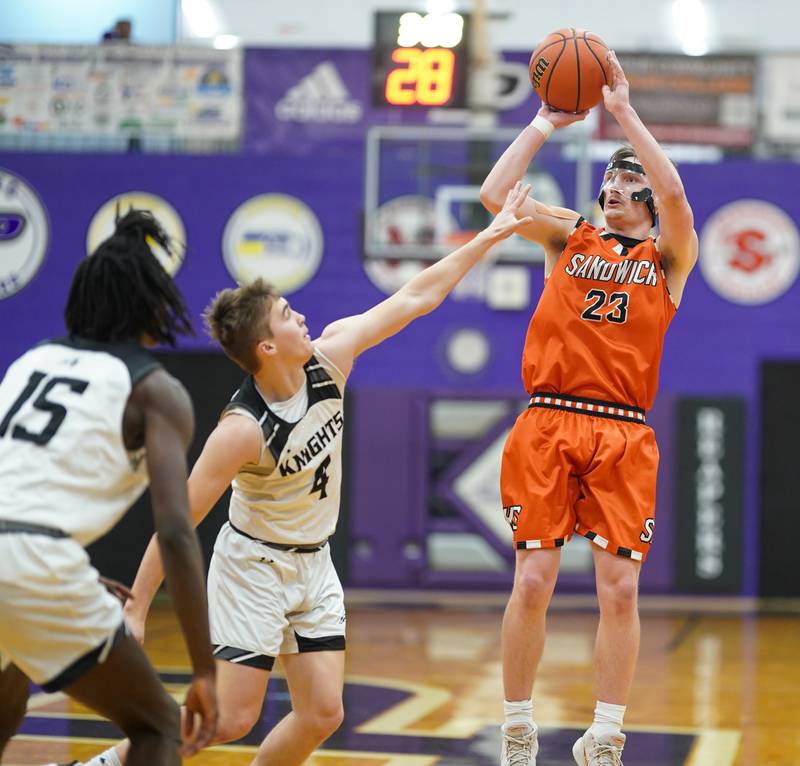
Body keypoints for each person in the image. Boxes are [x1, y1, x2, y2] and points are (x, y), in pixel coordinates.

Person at [78, 182, 534, 766]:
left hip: (313, 561)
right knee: (232, 718)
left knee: (322, 712)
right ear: (267, 346)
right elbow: (178, 519)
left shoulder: (331, 358)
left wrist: (490, 237)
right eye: (289, 316)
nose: (304, 317)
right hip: (255, 567)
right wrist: (138, 605)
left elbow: (416, 296)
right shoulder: (242, 430)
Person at [479, 52, 697, 766]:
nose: (616, 187)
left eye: (629, 180)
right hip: (548, 418)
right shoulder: (567, 234)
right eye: (610, 176)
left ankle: (604, 735)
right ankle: (517, 725)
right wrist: (546, 119)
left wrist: (625, 111)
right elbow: (494, 192)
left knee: (620, 590)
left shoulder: (668, 258)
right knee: (534, 579)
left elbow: (677, 197)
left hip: (623, 432)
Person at [0, 210, 218, 766]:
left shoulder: (30, 363)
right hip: (33, 563)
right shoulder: (154, 390)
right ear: (153, 305)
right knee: (158, 727)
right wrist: (203, 669)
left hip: (22, 552)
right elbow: (174, 529)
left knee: (5, 703)